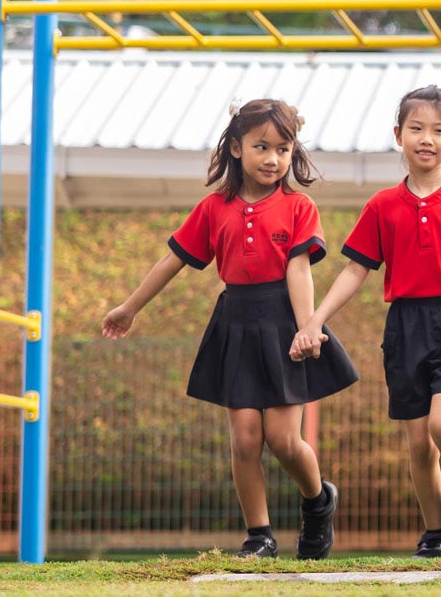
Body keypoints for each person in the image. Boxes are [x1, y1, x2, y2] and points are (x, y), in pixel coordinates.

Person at [103, 99, 355, 560]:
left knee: (283, 440)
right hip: (235, 322)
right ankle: (259, 535)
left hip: (283, 324)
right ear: (236, 148)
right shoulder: (213, 208)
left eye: (283, 148)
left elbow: (300, 271)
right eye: (262, 146)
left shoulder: (300, 206)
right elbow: (174, 259)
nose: (273, 159)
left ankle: (318, 501)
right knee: (244, 438)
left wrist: (306, 329)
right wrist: (130, 307)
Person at [287, 86, 441, 558]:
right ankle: (435, 532)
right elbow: (354, 270)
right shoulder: (383, 206)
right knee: (418, 443)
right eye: (416, 129)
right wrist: (315, 321)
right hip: (405, 328)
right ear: (398, 136)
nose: (426, 138)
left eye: (437, 130)